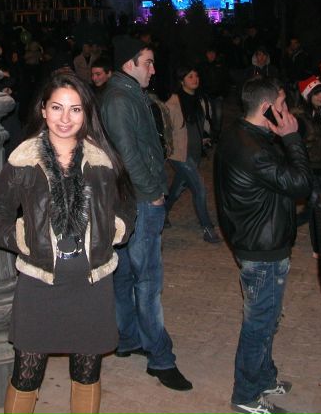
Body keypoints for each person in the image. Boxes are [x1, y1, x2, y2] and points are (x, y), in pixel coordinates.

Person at [0, 71, 136, 414]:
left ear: (86, 113)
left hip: (92, 283)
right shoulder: (24, 159)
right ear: (43, 110)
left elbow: (127, 201)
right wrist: (21, 238)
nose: (65, 118)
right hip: (40, 283)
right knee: (26, 375)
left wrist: (117, 228)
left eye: (75, 109)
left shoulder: (101, 159)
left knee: (87, 373)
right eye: (57, 107)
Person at [214, 77, 312, 414]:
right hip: (262, 249)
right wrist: (292, 138)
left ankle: (264, 377)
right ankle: (246, 394)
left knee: (268, 320)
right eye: (282, 105)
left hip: (258, 241)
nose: (287, 111)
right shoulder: (253, 149)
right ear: (267, 107)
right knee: (259, 324)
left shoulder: (243, 133)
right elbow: (300, 184)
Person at [100, 37, 192, 392]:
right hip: (138, 200)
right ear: (129, 64)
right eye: (148, 62)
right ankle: (160, 357)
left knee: (124, 273)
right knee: (148, 280)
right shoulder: (120, 98)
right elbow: (128, 153)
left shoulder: (126, 93)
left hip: (129, 197)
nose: (153, 69)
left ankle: (128, 338)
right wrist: (153, 193)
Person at [163, 65, 221, 242]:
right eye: (190, 76)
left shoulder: (199, 100)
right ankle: (207, 228)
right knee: (199, 187)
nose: (195, 79)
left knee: (179, 187)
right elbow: (166, 131)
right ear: (182, 81)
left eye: (196, 76)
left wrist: (204, 136)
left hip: (195, 152)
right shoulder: (173, 103)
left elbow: (199, 124)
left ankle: (162, 213)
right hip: (180, 155)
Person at [291, 75, 321, 257]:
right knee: (316, 209)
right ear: (308, 96)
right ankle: (317, 247)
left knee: (320, 207)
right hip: (311, 169)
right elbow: (294, 145)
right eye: (317, 93)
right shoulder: (301, 118)